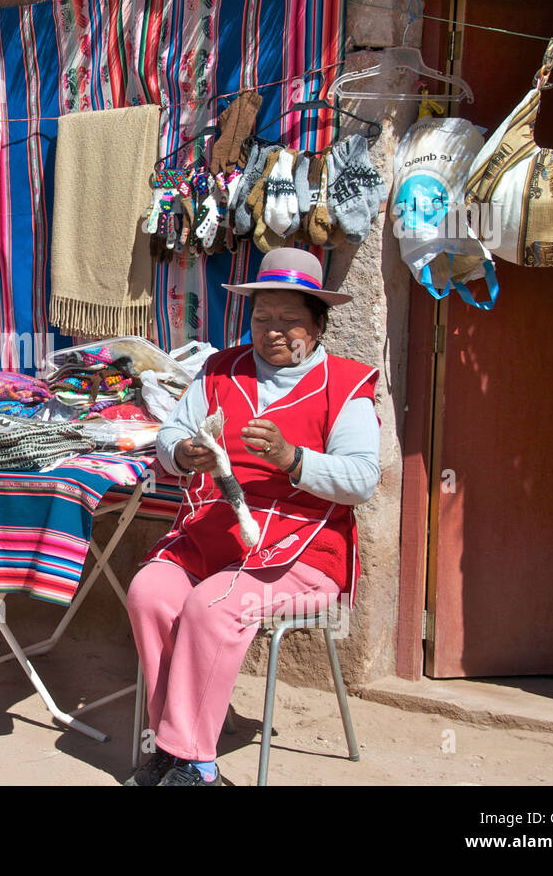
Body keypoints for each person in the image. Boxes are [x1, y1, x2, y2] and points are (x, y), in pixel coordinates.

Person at [125, 247, 381, 786]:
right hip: (217, 536)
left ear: (317, 324)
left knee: (213, 605)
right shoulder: (222, 370)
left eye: (290, 319)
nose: (273, 331)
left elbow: (362, 479)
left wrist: (293, 460)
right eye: (262, 317)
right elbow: (172, 433)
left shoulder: (346, 384)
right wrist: (182, 453)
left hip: (305, 549)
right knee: (150, 592)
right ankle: (171, 745)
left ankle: (195, 765)